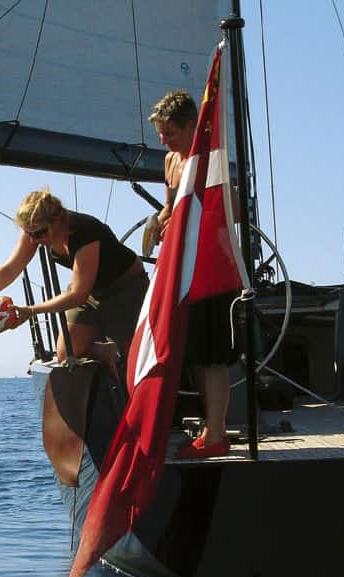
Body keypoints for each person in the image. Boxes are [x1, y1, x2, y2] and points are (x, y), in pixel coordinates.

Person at [0, 188, 148, 368]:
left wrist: (31, 310)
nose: (33, 240)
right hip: (89, 291)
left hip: (126, 288)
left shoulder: (86, 232)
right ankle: (106, 352)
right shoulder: (35, 230)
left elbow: (76, 296)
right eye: (29, 233)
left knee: (134, 357)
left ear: (57, 221)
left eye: (39, 233)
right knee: (66, 352)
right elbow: (11, 268)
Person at [148, 89, 237, 459]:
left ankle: (216, 435)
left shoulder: (210, 163)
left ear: (190, 126)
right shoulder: (170, 162)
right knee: (195, 353)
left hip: (210, 269)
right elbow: (171, 208)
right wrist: (160, 224)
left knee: (212, 355)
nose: (164, 140)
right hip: (181, 267)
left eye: (169, 132)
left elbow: (224, 211)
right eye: (160, 133)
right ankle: (208, 429)